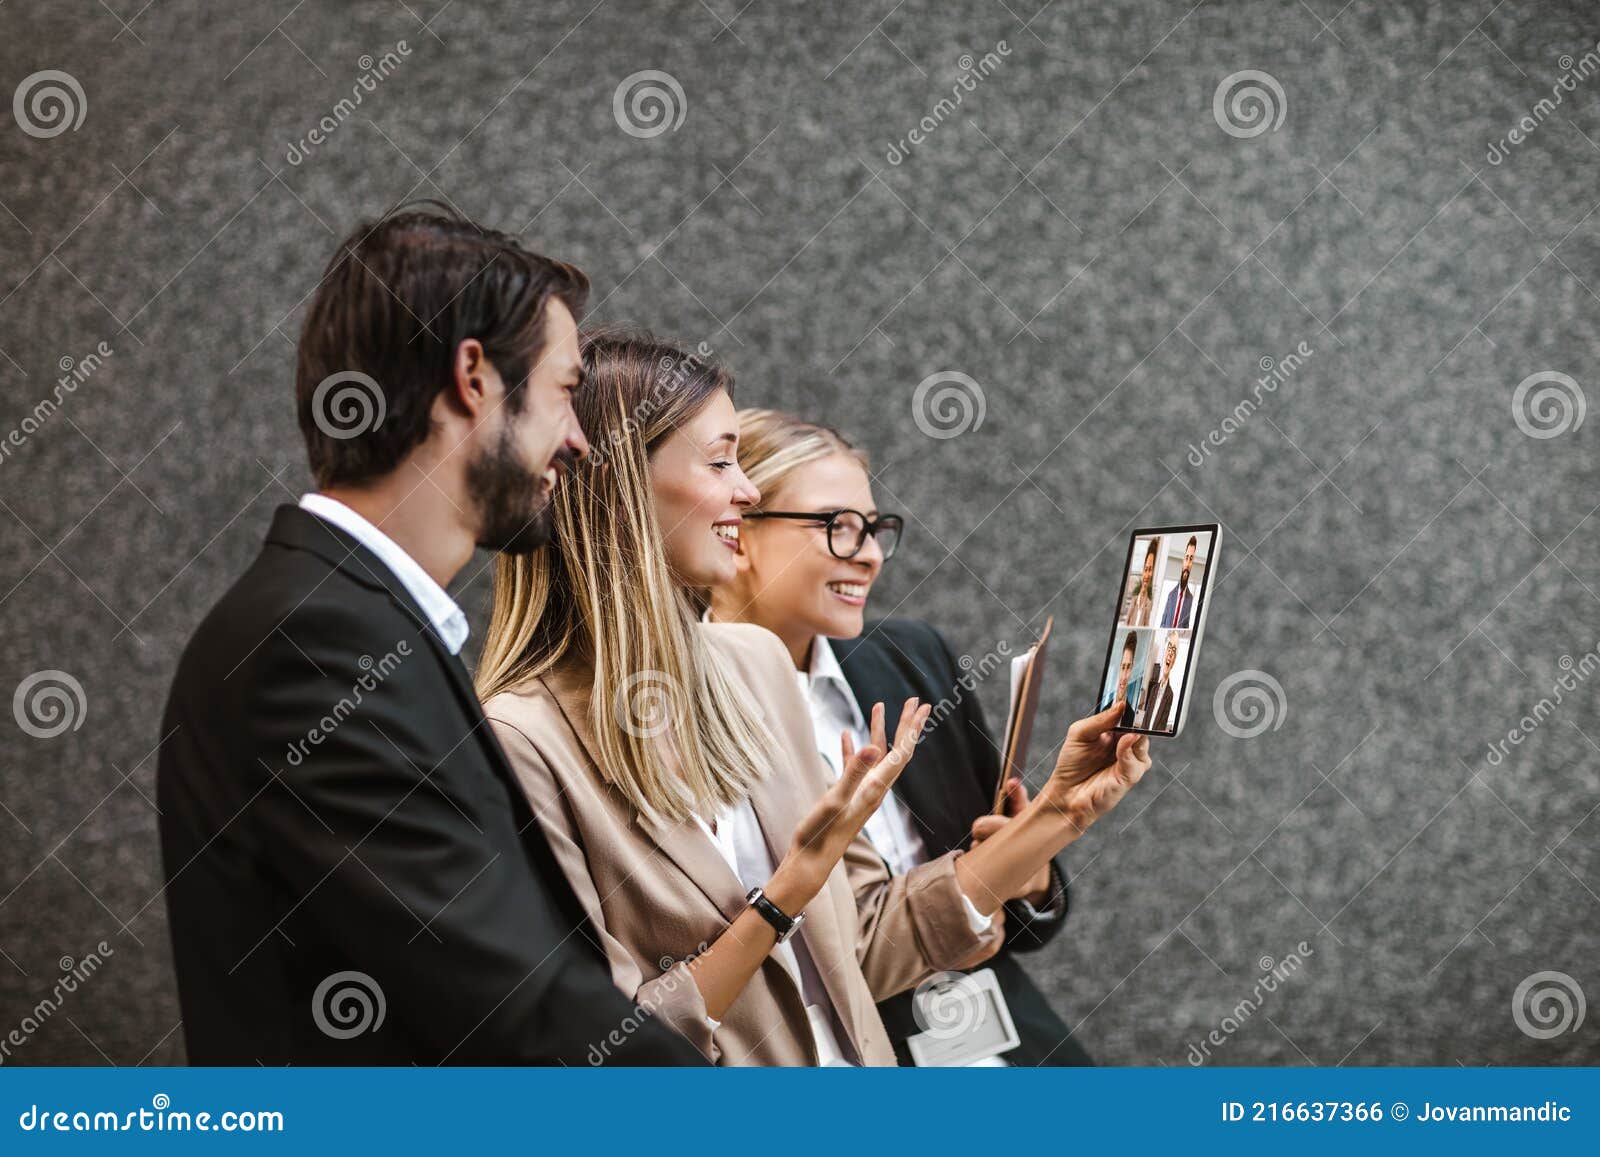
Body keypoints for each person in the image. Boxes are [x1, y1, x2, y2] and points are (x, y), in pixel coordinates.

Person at [476, 329, 1153, 1066]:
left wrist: (1057, 814)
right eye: (720, 459)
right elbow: (600, 1052)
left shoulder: (754, 665)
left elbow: (862, 945)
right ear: (620, 482)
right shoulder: (517, 740)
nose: (747, 488)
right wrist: (787, 889)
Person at [157, 208, 703, 1065]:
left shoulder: (353, 621)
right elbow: (517, 1011)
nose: (581, 440)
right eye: (565, 392)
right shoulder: (314, 645)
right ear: (474, 378)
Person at [706, 408, 1094, 1066]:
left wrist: (1025, 874)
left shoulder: (912, 659)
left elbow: (1024, 908)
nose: (871, 553)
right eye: (839, 527)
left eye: (876, 528)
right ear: (739, 534)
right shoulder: (687, 703)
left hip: (979, 1013)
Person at [1137, 632, 1181, 731]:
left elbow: (1162, 725)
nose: (1170, 653)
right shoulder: (1153, 689)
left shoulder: (1170, 695)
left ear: (1174, 660)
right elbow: (1145, 719)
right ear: (1164, 652)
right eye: (1169, 648)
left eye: (1173, 651)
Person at [1098, 632, 1141, 728]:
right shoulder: (1103, 712)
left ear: (1132, 669)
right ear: (1119, 667)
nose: (1124, 676)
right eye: (1123, 667)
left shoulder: (1132, 718)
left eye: (1128, 667)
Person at [1159, 535, 1199, 628]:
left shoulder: (1191, 599)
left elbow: (1186, 626)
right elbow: (1163, 623)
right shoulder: (1170, 595)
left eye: (1191, 559)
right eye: (1186, 558)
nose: (1188, 563)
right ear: (1183, 561)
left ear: (1193, 563)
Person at [1125, 538, 1158, 626]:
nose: (1146, 575)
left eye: (1150, 569)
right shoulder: (1135, 597)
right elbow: (1127, 619)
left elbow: (1146, 624)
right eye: (1145, 569)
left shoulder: (1149, 603)